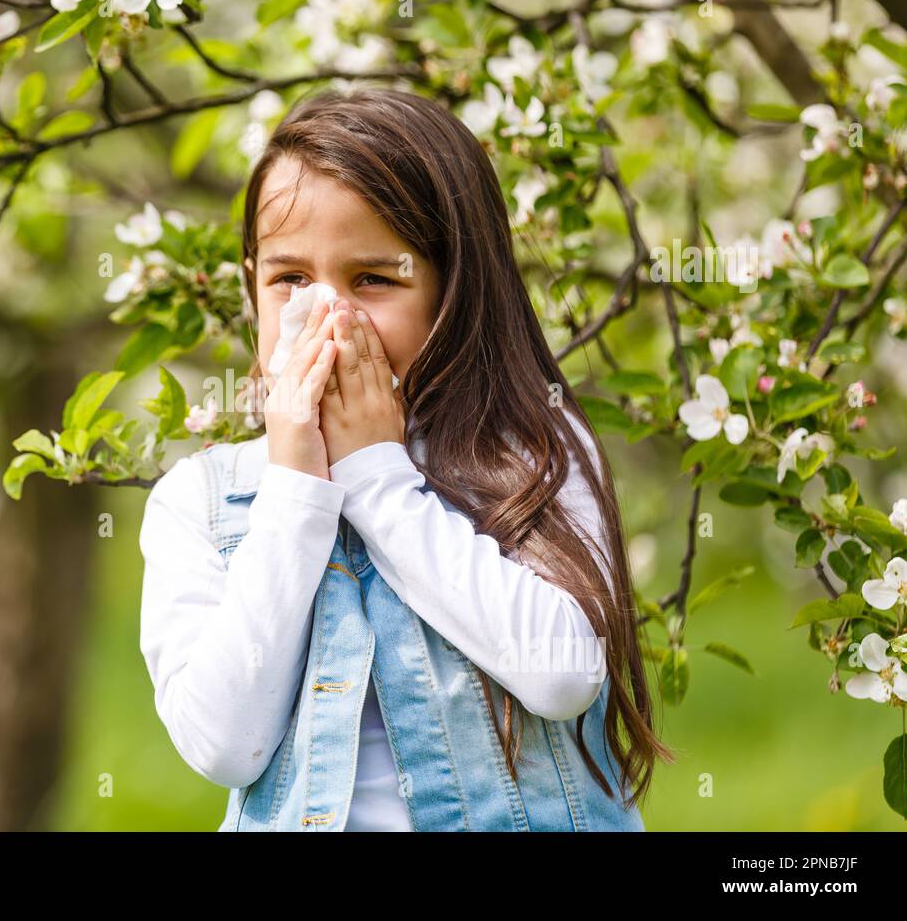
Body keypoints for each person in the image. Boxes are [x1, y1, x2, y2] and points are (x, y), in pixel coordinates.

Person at [139, 86, 674, 831]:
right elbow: (224, 746)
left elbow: (560, 676)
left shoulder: (537, 456)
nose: (324, 315)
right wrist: (297, 486)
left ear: (454, 292)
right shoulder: (198, 501)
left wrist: (375, 477)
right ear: (251, 287)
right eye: (289, 278)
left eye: (374, 280)